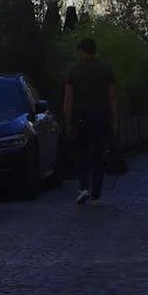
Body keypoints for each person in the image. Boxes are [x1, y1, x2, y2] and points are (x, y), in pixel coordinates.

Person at [63, 37, 118, 206]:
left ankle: (83, 187)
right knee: (98, 156)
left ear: (81, 51)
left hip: (80, 117)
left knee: (81, 154)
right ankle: (96, 194)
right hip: (101, 117)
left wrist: (68, 121)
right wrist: (115, 118)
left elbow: (68, 98)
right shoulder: (106, 70)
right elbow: (112, 97)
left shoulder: (73, 71)